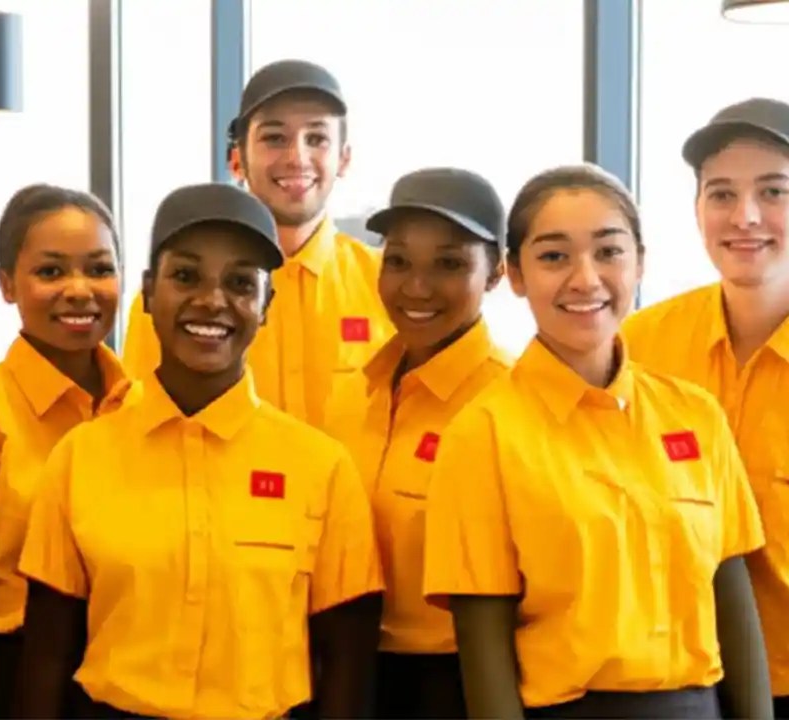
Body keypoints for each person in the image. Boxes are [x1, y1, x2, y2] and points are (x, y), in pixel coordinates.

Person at [17, 182, 383, 720]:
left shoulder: (321, 468)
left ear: (266, 306)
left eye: (239, 283)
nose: (212, 300)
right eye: (186, 276)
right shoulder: (81, 456)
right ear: (148, 292)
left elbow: (347, 667)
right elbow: (46, 658)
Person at [423, 164, 773, 719]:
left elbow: (735, 613)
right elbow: (484, 650)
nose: (585, 279)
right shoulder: (483, 434)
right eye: (554, 256)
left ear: (639, 262)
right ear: (515, 274)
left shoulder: (696, 415)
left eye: (609, 252)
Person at [0, 183, 135, 719]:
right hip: (17, 673)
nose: (80, 290)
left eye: (100, 269)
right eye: (51, 272)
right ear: (7, 284)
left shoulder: (146, 409)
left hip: (128, 678)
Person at [622, 98, 789, 717]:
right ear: (697, 211)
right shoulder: (638, 345)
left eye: (774, 191)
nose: (745, 216)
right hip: (671, 684)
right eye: (721, 194)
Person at [323, 167, 510, 718]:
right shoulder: (352, 392)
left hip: (456, 683)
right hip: (346, 672)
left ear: (496, 272)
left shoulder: (510, 404)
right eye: (399, 261)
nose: (417, 287)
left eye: (449, 264)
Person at [121, 59, 392, 429]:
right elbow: (141, 425)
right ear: (237, 160)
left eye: (317, 138)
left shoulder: (388, 286)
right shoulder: (177, 296)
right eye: (274, 138)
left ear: (343, 159)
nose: (297, 158)